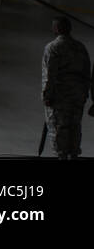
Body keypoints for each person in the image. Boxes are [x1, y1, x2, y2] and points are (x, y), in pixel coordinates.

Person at [42, 16, 91, 159]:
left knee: (59, 128)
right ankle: (74, 154)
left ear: (56, 29)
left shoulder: (52, 48)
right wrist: (85, 93)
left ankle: (62, 156)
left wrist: (47, 95)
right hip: (78, 95)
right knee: (75, 126)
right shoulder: (81, 47)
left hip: (60, 96)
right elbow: (87, 72)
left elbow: (50, 74)